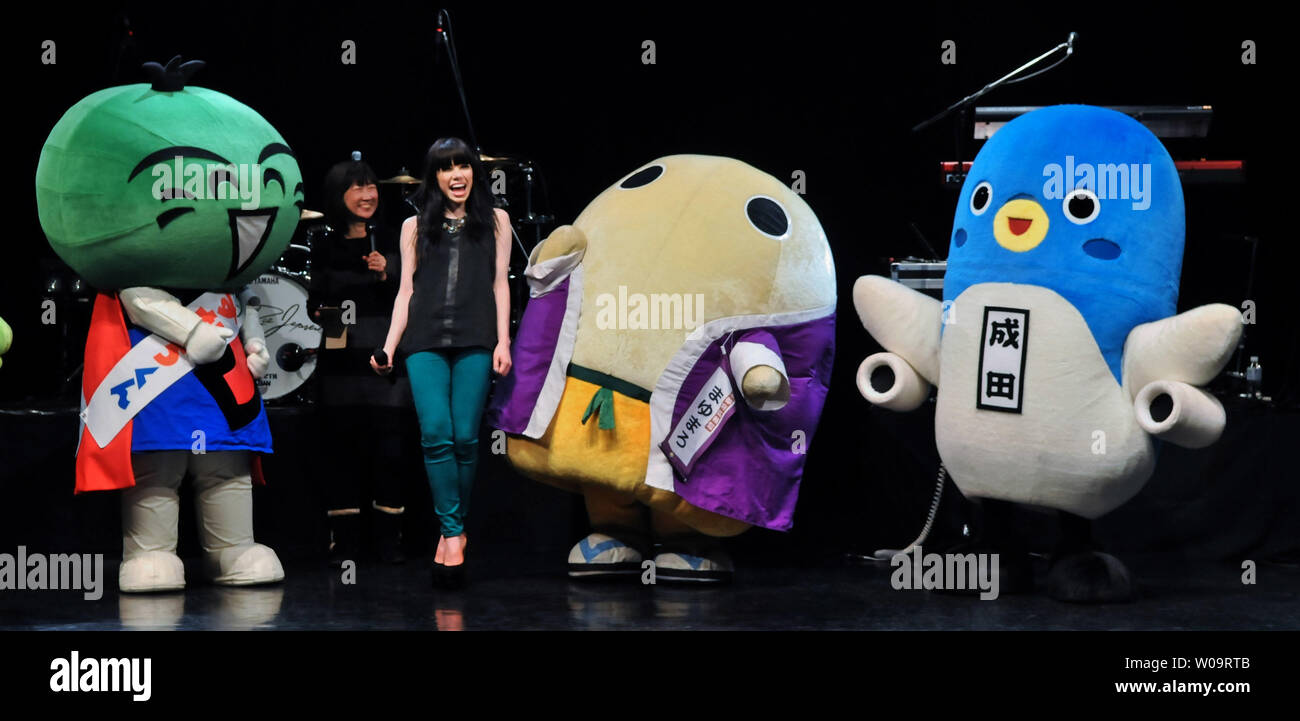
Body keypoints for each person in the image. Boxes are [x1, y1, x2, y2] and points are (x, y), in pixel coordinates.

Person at [372, 137, 512, 588]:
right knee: (436, 435)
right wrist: (391, 346)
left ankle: (454, 528)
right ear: (433, 177)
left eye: (464, 166)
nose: (457, 175)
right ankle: (452, 533)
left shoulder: (496, 222)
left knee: (466, 439)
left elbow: (499, 286)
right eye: (446, 168)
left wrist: (503, 341)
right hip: (425, 341)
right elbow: (405, 292)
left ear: (474, 171)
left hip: (475, 339)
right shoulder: (414, 227)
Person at [313, 154, 412, 565]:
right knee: (342, 449)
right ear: (340, 195)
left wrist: (387, 271)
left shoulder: (393, 239)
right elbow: (315, 300)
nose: (367, 194)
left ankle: (389, 539)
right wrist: (323, 312)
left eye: (371, 186)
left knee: (390, 449)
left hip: (385, 355)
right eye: (357, 187)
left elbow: (410, 296)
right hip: (340, 355)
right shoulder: (325, 242)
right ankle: (346, 541)